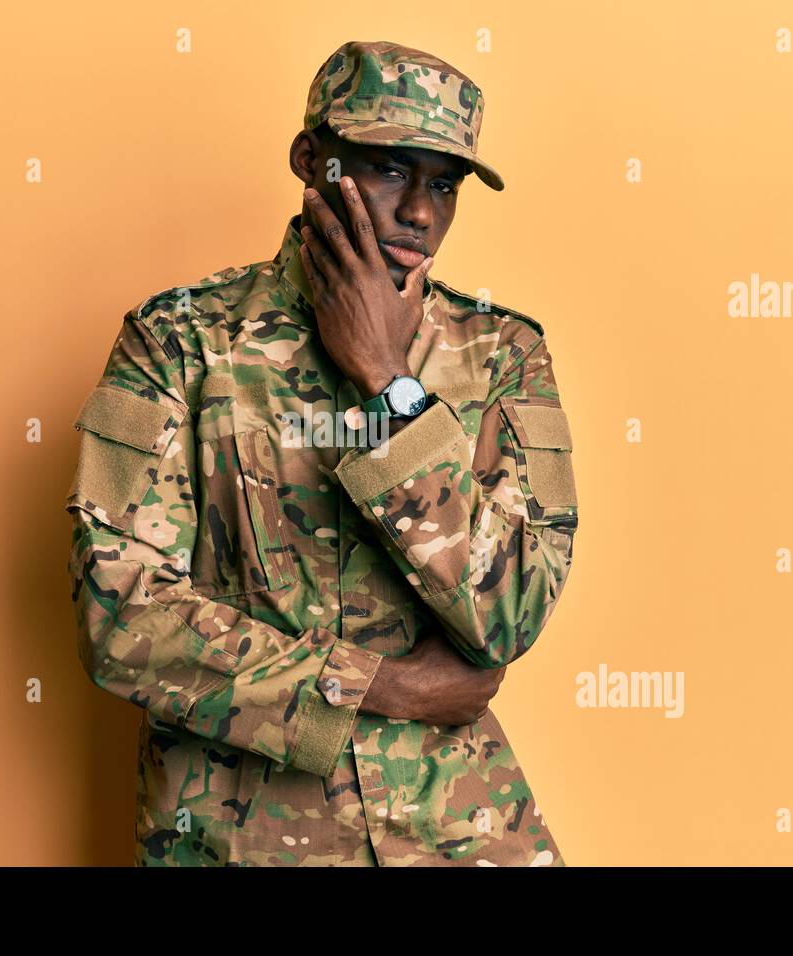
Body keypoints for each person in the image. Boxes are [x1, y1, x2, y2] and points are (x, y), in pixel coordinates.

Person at [65, 39, 579, 866]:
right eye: (388, 169)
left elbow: (511, 611)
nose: (420, 210)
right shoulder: (177, 343)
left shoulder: (505, 353)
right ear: (312, 159)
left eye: (443, 184)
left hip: (461, 832)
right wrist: (386, 686)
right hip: (239, 839)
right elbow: (121, 621)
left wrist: (388, 386)